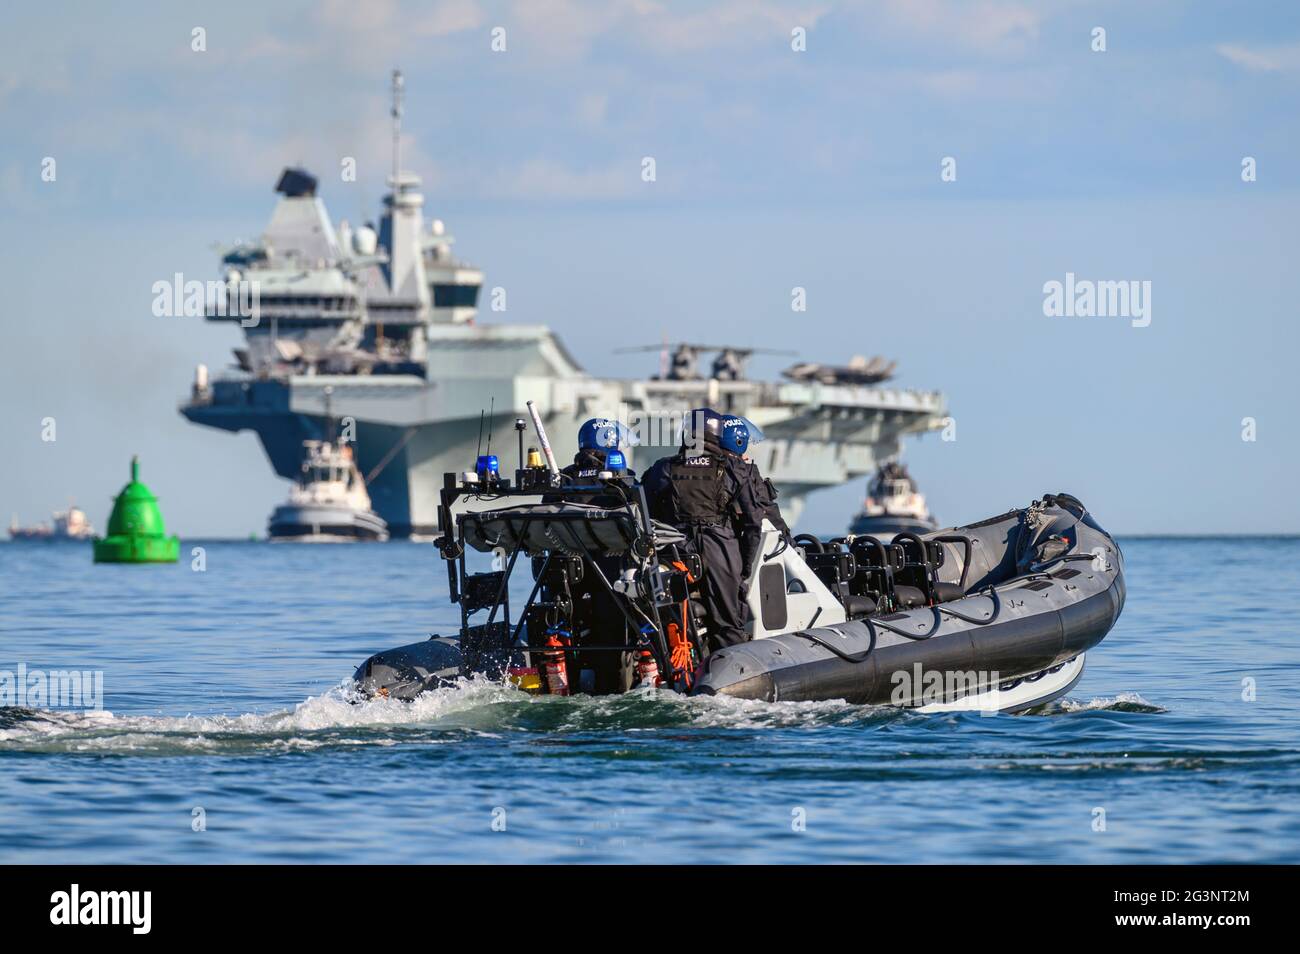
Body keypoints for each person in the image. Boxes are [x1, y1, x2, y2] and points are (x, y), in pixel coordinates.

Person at [642, 409, 763, 651]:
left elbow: (646, 514)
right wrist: (744, 566)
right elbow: (753, 523)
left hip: (676, 551)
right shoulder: (734, 468)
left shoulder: (663, 468)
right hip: (720, 549)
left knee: (670, 619)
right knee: (728, 626)